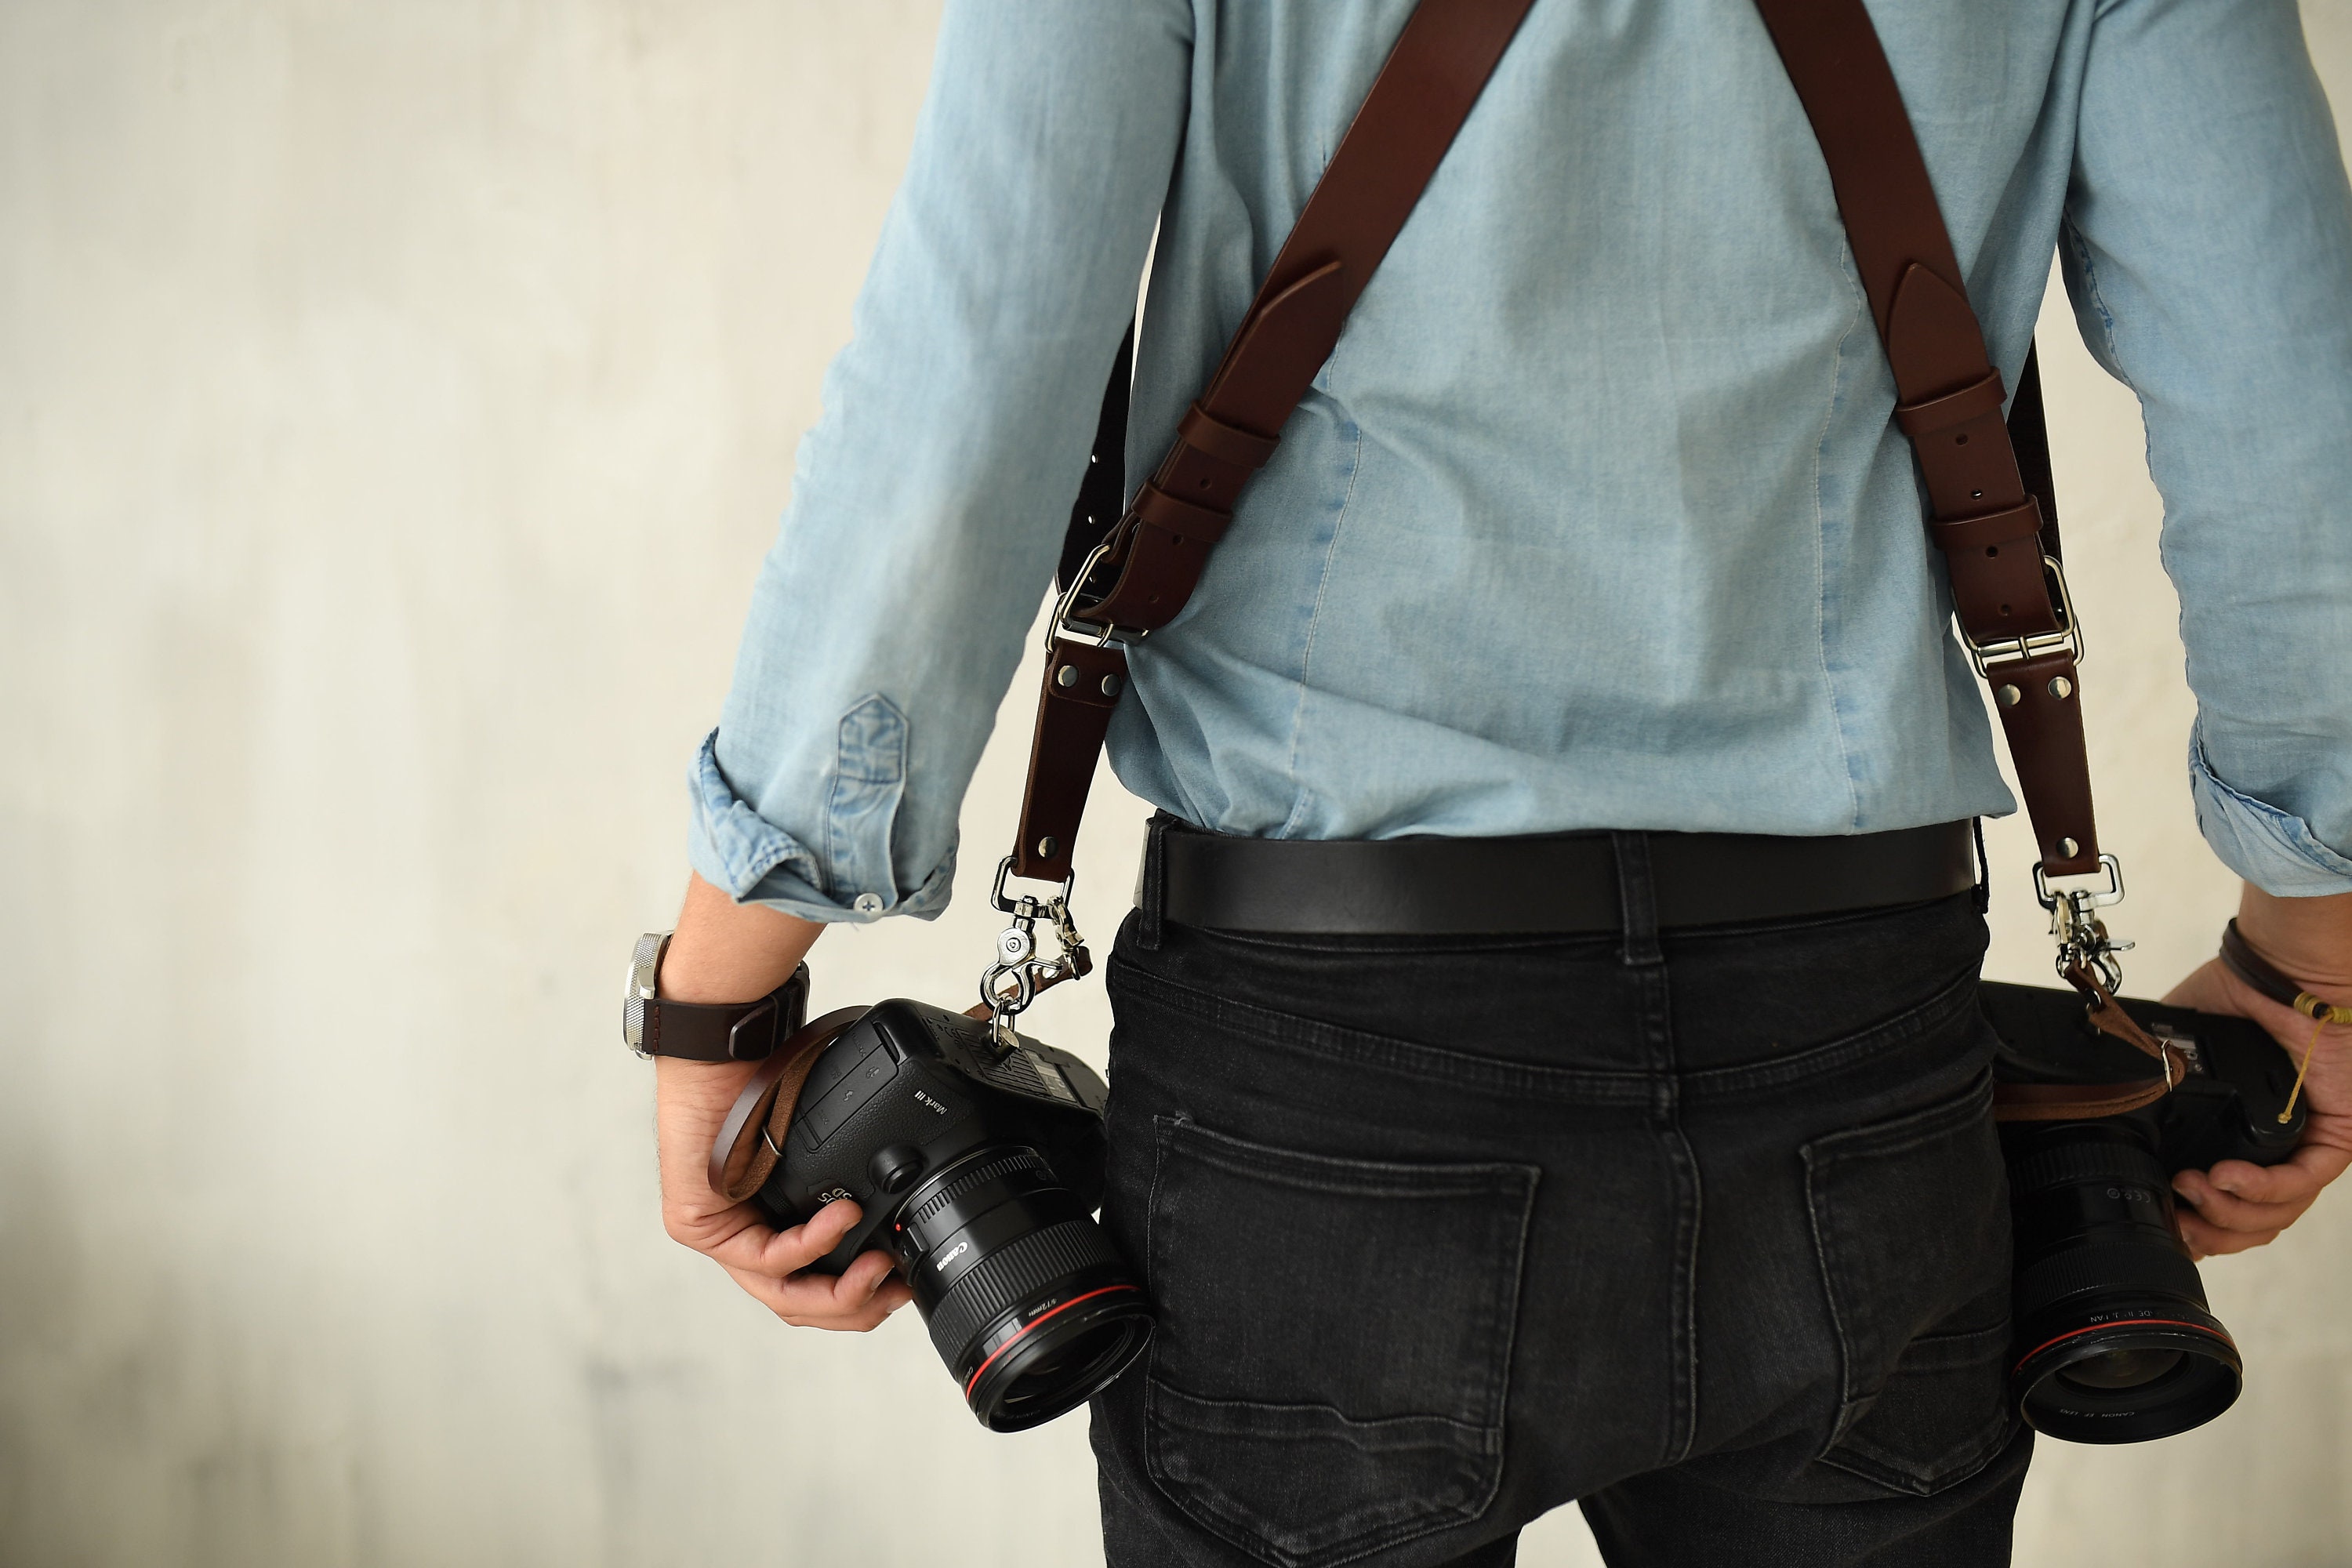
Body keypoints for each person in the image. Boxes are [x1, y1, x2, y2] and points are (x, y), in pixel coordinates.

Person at [641, 2, 2352, 1563]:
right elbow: (2294, 405)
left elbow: (965, 382)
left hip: (1317, 1088)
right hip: (1864, 1070)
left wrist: (722, 999)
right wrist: (2311, 963)